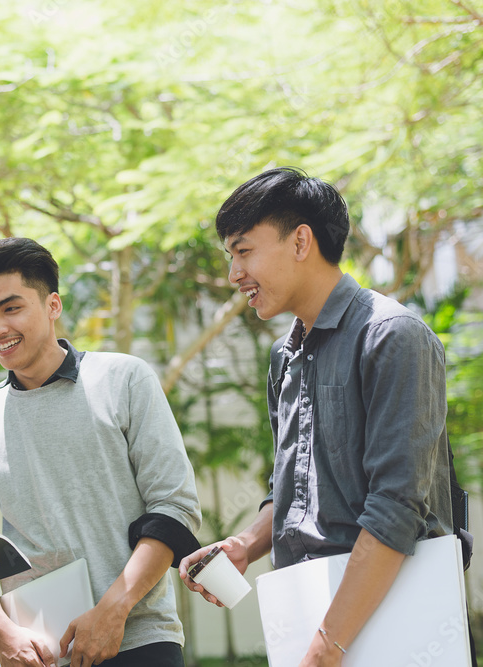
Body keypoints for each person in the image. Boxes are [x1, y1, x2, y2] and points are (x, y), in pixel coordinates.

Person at [178, 166, 456, 666]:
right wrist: (246, 545)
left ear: (301, 241)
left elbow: (395, 507)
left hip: (380, 619)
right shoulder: (284, 356)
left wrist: (327, 648)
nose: (234, 274)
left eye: (243, 251)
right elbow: (294, 486)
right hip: (309, 611)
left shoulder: (392, 336)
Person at [0, 237, 202, 667]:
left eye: (11, 308)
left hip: (138, 640)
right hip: (36, 653)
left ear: (53, 306)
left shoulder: (125, 379)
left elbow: (174, 508)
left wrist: (112, 611)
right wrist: (2, 633)